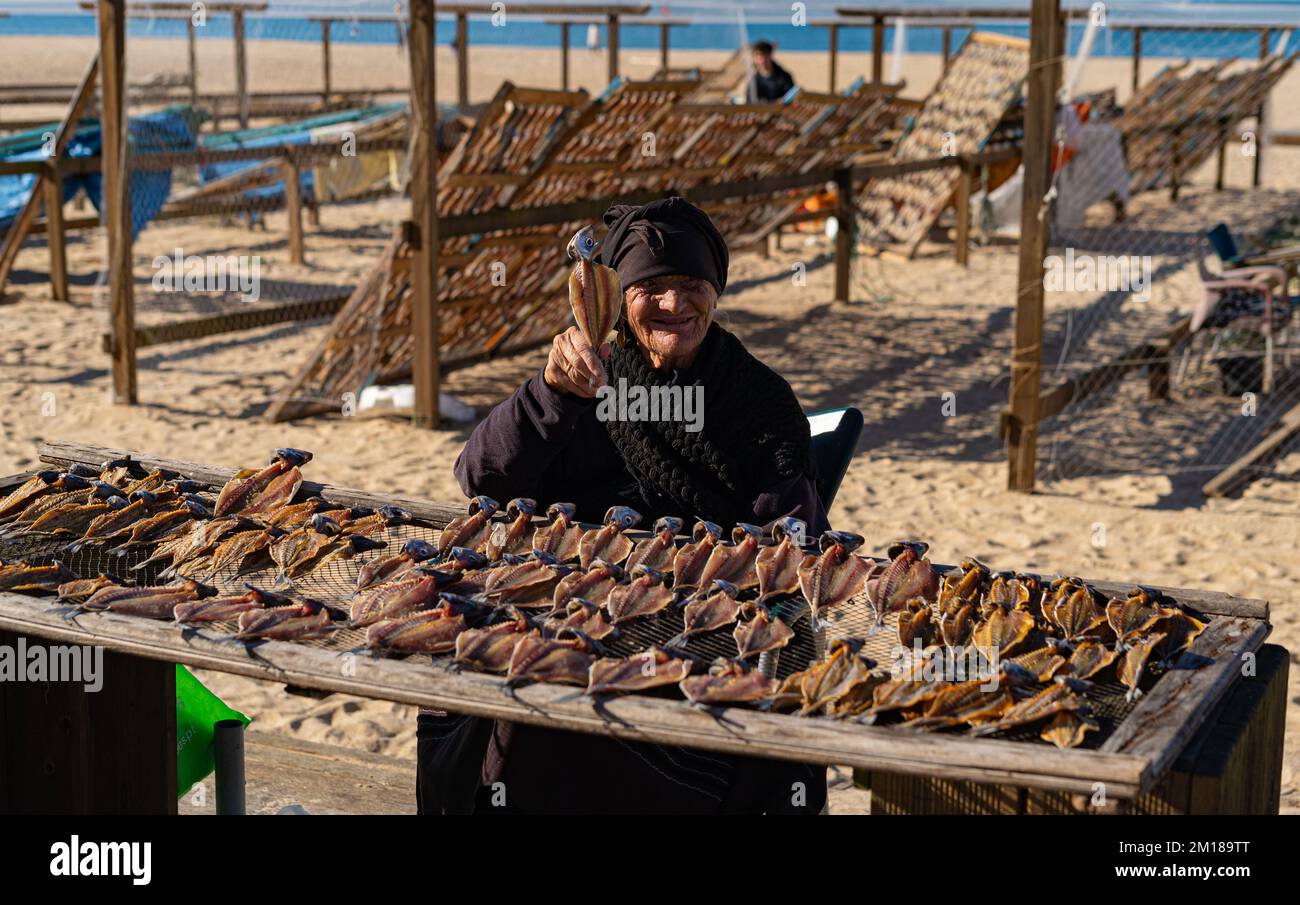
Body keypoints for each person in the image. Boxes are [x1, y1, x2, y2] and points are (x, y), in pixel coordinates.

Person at [416, 197, 829, 815]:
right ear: (619, 294)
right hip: (570, 603)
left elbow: (794, 536)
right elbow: (482, 480)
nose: (672, 304)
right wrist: (550, 394)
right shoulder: (587, 371)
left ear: (715, 292)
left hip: (701, 622)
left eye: (690, 285)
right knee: (505, 690)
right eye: (649, 287)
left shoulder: (757, 399)